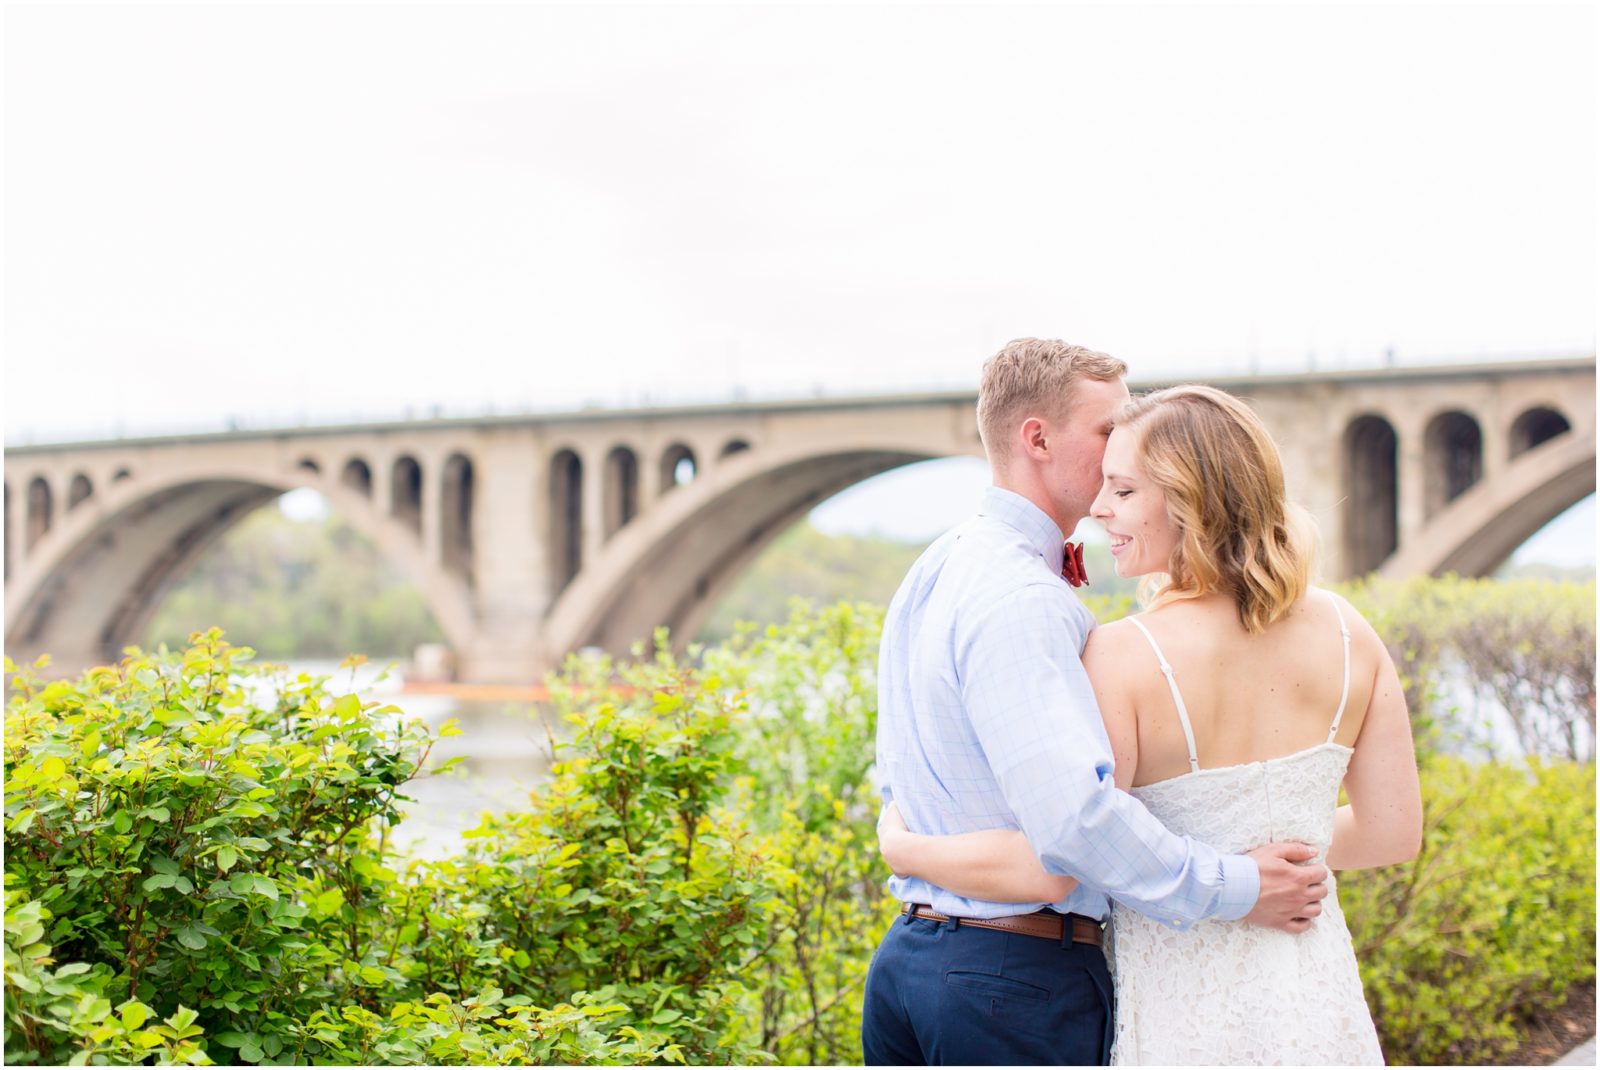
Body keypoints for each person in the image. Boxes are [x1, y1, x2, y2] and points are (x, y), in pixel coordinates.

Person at [878, 382, 1423, 1065]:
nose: (1098, 508)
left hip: (1178, 1005)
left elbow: (1062, 852)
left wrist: (904, 847)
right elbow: (1392, 832)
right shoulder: (1351, 634)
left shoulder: (1124, 656)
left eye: (1125, 491)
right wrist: (1280, 863)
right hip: (1312, 991)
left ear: (1193, 498)